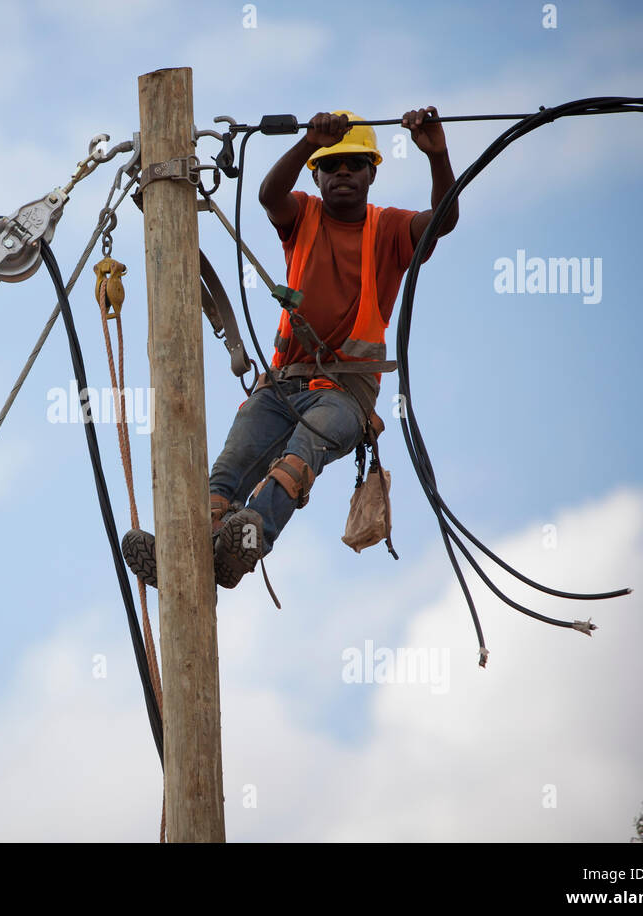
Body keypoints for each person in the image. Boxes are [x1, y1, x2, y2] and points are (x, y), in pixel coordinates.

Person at [122, 107, 460, 590]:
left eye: (355, 164)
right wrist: (307, 141)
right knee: (227, 471)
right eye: (331, 164)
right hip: (281, 387)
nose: (343, 172)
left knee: (300, 459)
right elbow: (267, 195)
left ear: (371, 174)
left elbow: (442, 220)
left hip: (344, 397)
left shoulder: (388, 230)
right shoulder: (303, 215)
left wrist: (437, 155)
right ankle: (191, 551)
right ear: (316, 175)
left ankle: (245, 543)